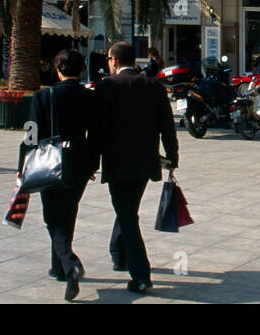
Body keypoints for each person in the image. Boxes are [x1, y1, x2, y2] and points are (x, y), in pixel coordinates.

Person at [95, 41, 179, 294]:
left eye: (108, 59)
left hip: (117, 162)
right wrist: (172, 156)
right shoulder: (153, 86)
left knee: (127, 214)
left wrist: (90, 160)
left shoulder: (106, 86)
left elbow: (98, 130)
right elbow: (168, 125)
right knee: (128, 208)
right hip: (145, 161)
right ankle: (118, 253)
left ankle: (141, 274)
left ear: (114, 61)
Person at [19, 49, 97, 301]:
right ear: (82, 70)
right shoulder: (89, 97)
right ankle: (59, 268)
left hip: (50, 162)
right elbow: (96, 133)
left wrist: (23, 166)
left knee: (52, 217)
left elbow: (30, 134)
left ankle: (69, 262)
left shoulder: (44, 96)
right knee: (69, 210)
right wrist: (92, 163)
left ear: (57, 69)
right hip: (80, 162)